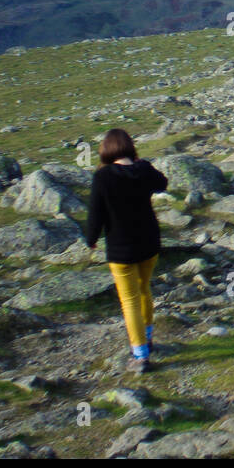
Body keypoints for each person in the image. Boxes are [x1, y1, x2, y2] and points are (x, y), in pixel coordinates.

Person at [85, 129, 168, 373]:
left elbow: (95, 212)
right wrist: (145, 166)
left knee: (129, 300)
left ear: (107, 151)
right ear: (130, 148)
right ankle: (148, 338)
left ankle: (140, 355)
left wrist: (91, 239)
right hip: (149, 243)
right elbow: (162, 184)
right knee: (144, 290)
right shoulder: (144, 169)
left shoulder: (103, 177)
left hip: (120, 248)